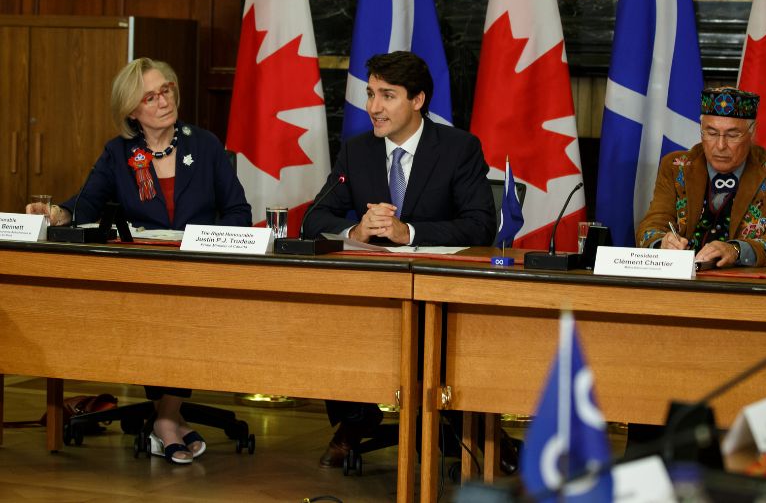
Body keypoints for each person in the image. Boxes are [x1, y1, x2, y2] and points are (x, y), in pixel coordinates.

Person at [26, 57, 251, 465]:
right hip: (142, 275)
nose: (163, 101)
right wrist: (56, 213)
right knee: (156, 313)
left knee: (182, 314)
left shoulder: (204, 144)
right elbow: (86, 204)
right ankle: (171, 418)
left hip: (199, 272)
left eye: (166, 90)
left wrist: (213, 243)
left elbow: (238, 210)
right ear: (132, 110)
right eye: (151, 96)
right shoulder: (119, 153)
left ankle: (166, 419)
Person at [303, 50, 496, 468]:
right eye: (371, 94)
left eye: (387, 96)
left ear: (418, 100)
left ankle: (482, 431)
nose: (374, 107)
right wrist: (356, 231)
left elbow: (481, 225)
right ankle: (356, 418)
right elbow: (314, 218)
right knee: (323, 314)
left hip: (442, 293)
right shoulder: (358, 152)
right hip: (374, 291)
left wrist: (407, 232)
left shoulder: (458, 148)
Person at [636, 87, 766, 268]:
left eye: (732, 135)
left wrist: (736, 250)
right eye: (712, 133)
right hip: (681, 281)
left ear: (752, 133)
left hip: (740, 286)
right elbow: (652, 225)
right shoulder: (676, 167)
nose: (720, 146)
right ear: (701, 131)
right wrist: (661, 243)